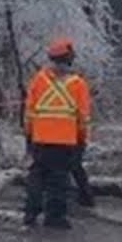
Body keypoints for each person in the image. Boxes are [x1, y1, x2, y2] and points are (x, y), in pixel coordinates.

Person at [23, 37, 92, 229]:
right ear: (69, 59)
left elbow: (29, 111)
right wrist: (82, 139)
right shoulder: (78, 84)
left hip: (39, 138)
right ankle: (54, 217)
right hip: (65, 140)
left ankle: (30, 212)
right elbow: (83, 117)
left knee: (37, 175)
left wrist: (29, 135)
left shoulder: (38, 79)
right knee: (58, 180)